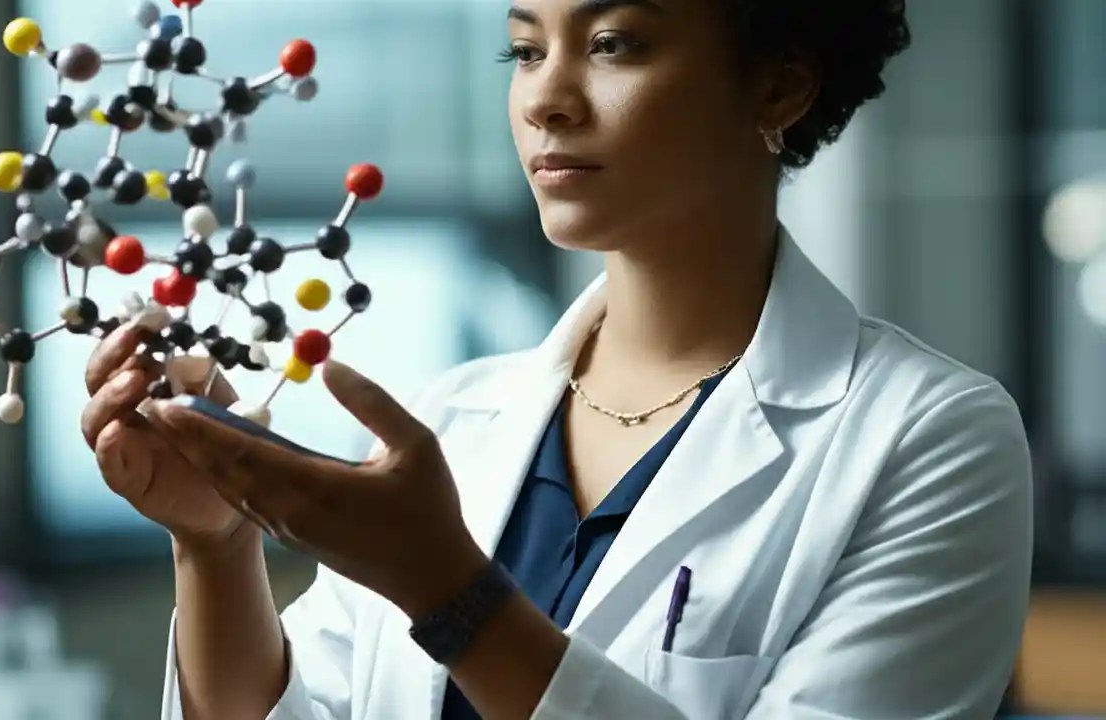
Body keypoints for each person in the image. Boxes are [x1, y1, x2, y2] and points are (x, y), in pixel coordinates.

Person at [81, 0, 1032, 718]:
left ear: (780, 83)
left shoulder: (931, 440)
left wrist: (452, 593)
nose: (546, 99)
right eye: (526, 50)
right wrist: (214, 545)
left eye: (613, 43)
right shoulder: (455, 415)